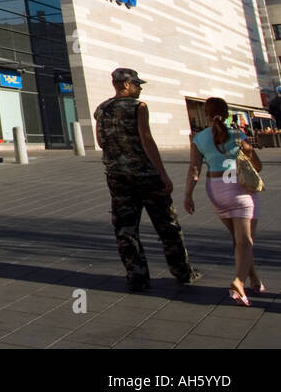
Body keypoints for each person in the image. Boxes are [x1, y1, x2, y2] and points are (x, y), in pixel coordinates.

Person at [94, 67, 199, 292]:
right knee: (167, 226)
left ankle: (137, 276)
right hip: (146, 176)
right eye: (136, 83)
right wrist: (162, 173)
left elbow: (101, 142)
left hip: (117, 178)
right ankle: (182, 272)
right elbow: (147, 140)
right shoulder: (138, 107)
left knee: (126, 229)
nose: (139, 87)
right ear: (123, 84)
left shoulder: (101, 109)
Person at [185, 97, 264, 305]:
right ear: (228, 114)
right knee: (245, 241)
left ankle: (254, 279)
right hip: (239, 189)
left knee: (240, 240)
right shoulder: (238, 135)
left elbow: (194, 169)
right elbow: (258, 165)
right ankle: (239, 282)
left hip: (216, 191)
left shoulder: (198, 138)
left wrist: (188, 194)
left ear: (207, 115)